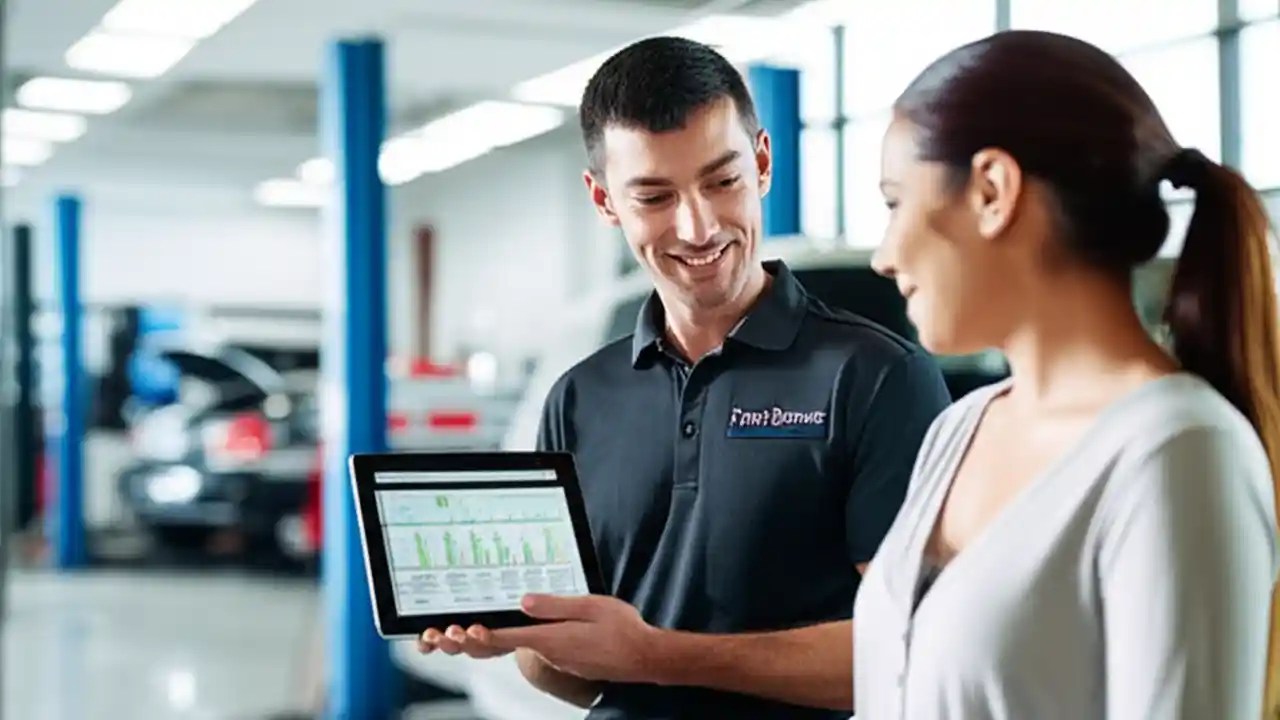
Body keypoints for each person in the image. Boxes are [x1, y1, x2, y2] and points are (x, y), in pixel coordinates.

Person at [418, 36, 952, 718]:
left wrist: (653, 654)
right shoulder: (579, 399)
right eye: (654, 196)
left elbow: (909, 657)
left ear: (761, 162)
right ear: (605, 200)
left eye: (721, 181)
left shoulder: (877, 379)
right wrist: (521, 639)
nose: (698, 226)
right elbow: (580, 681)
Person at [852, 30, 1280, 718]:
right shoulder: (959, 429)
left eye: (896, 201)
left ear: (993, 189)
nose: (885, 253)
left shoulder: (1180, 453)